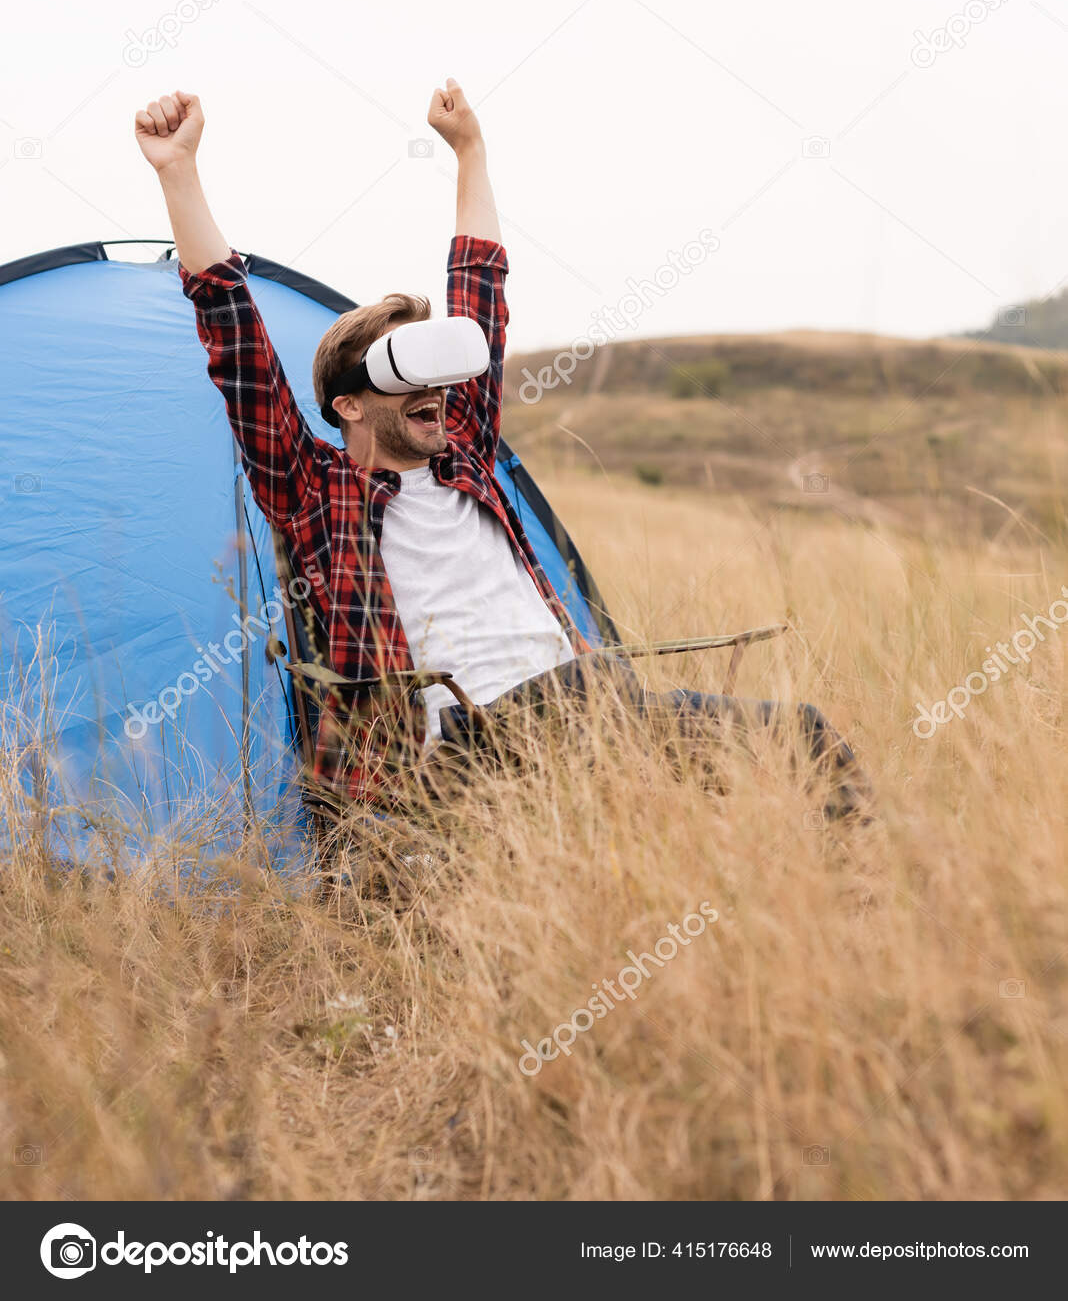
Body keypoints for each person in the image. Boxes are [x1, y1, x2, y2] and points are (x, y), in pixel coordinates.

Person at [135, 83, 864, 818]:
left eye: (438, 370)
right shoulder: (316, 493)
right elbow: (235, 339)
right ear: (348, 404)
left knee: (800, 737)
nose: (436, 388)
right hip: (457, 749)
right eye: (404, 371)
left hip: (590, 712)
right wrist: (178, 170)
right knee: (589, 697)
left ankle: (863, 897)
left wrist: (470, 151)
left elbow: (480, 289)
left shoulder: (466, 458)